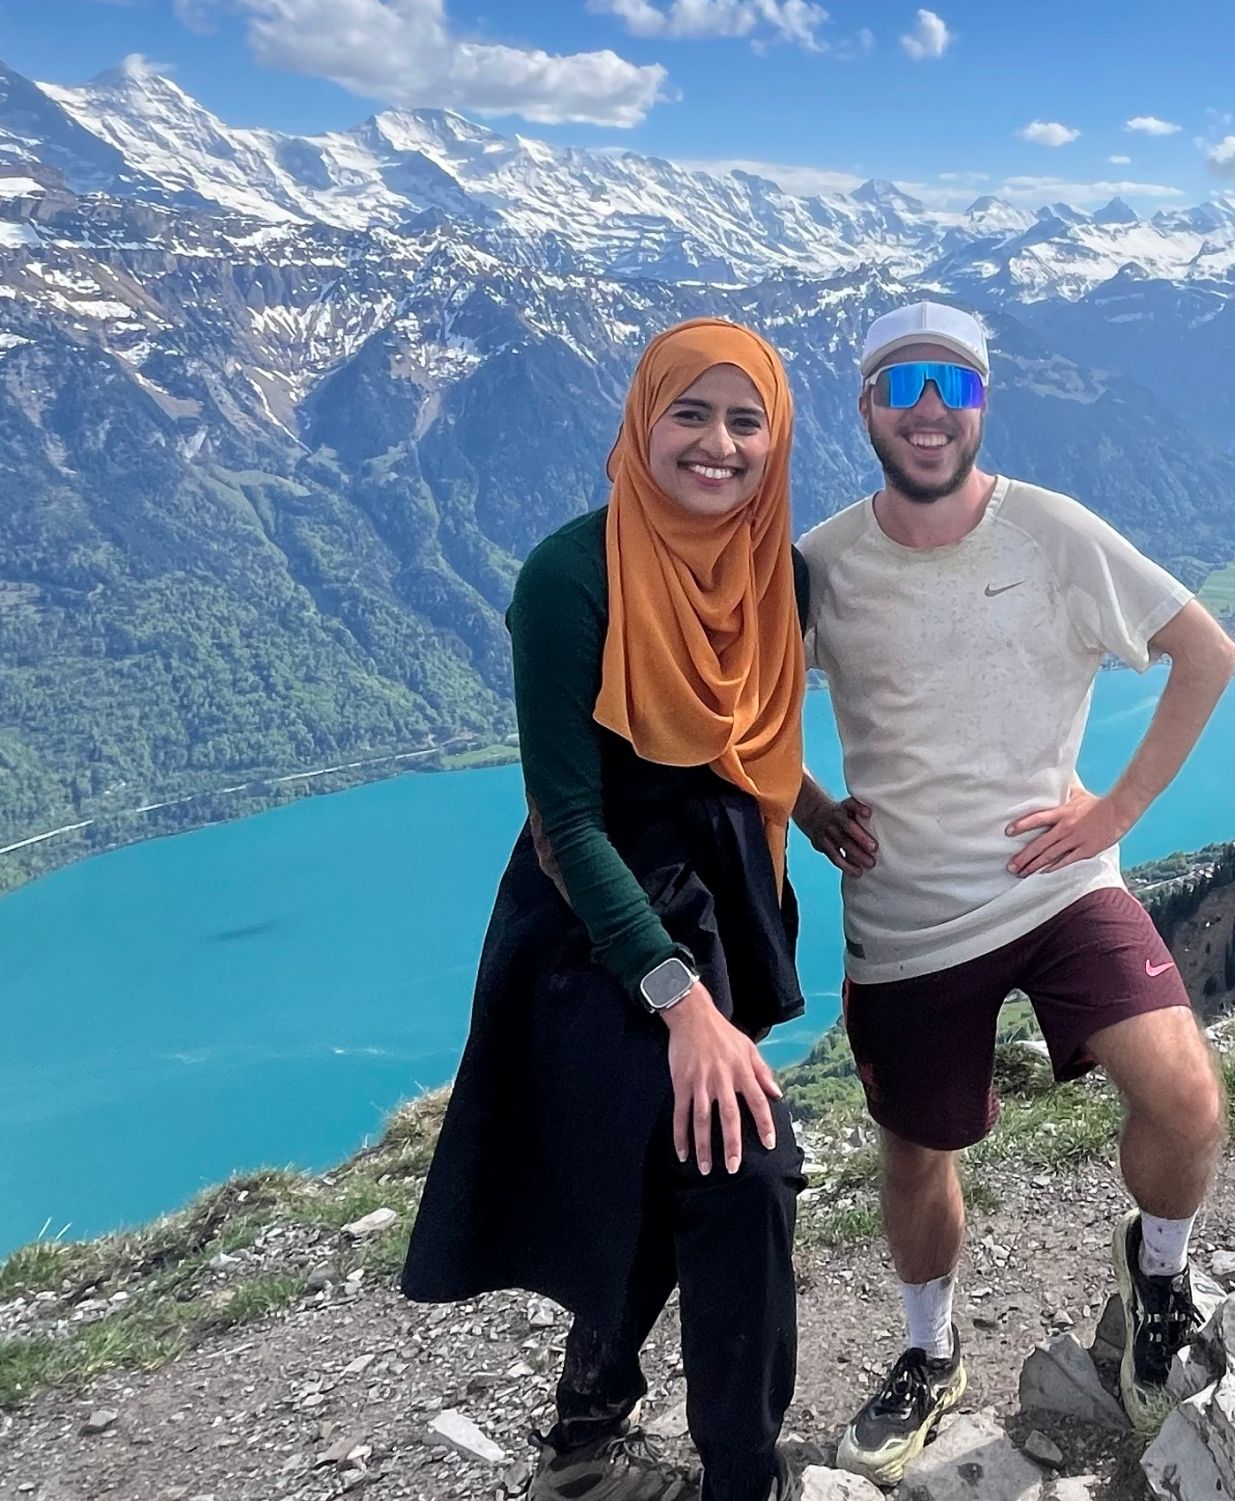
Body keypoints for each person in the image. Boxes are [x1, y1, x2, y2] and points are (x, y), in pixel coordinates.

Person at [792, 301, 1235, 1482]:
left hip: (1058, 885)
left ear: (983, 401)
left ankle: (1154, 1274)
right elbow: (730, 708)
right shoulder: (822, 564)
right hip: (904, 918)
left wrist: (1110, 816)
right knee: (913, 1157)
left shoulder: (1051, 531)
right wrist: (805, 806)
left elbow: (1207, 653)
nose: (930, 409)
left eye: (955, 384)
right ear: (868, 409)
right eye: (904, 386)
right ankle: (928, 1354)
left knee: (1186, 1099)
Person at [403, 319, 810, 1501]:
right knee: (740, 1165)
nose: (718, 444)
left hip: (724, 893)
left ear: (774, 438)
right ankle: (734, 1474)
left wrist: (813, 802)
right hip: (594, 924)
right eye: (691, 413)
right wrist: (680, 1001)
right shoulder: (570, 575)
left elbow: (729, 727)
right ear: (643, 420)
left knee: (679, 1158)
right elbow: (564, 819)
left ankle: (590, 1425)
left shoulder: (768, 564)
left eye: (747, 420)